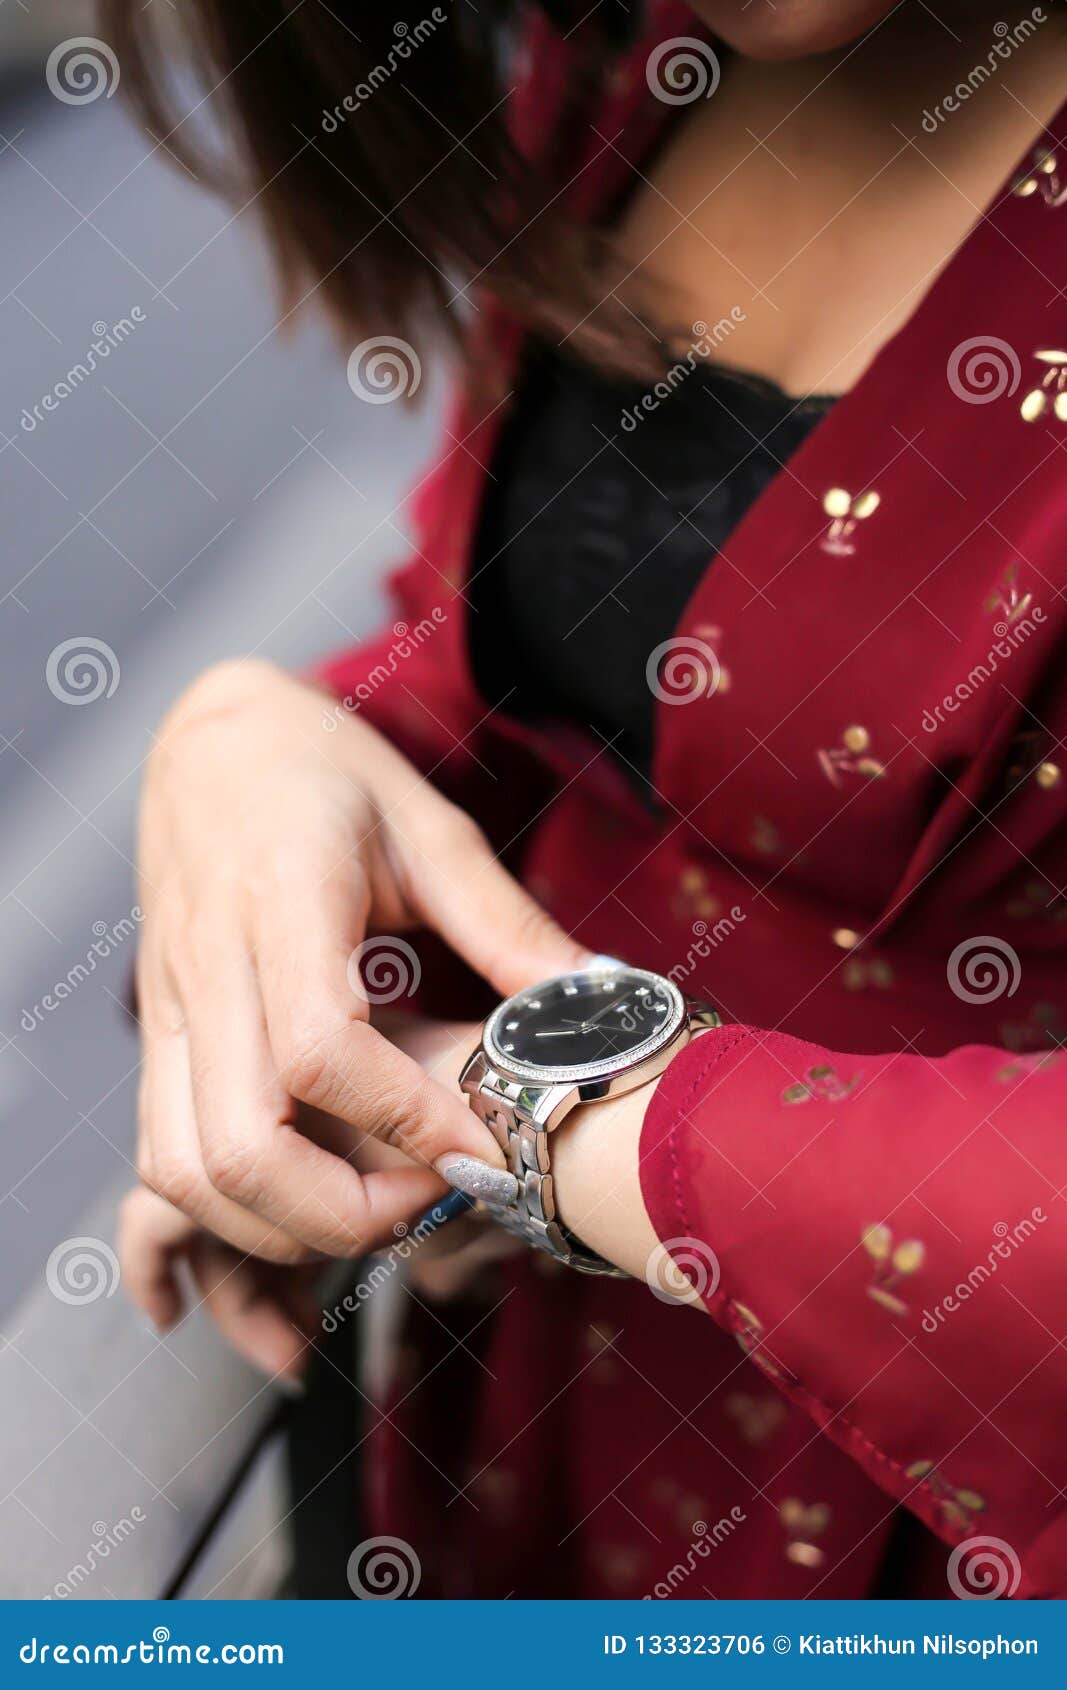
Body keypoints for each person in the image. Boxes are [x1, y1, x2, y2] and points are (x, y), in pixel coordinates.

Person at [112, 0, 1067, 1597]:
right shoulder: (635, 65)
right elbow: (547, 666)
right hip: (549, 1428)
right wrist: (258, 753)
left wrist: (519, 1122)